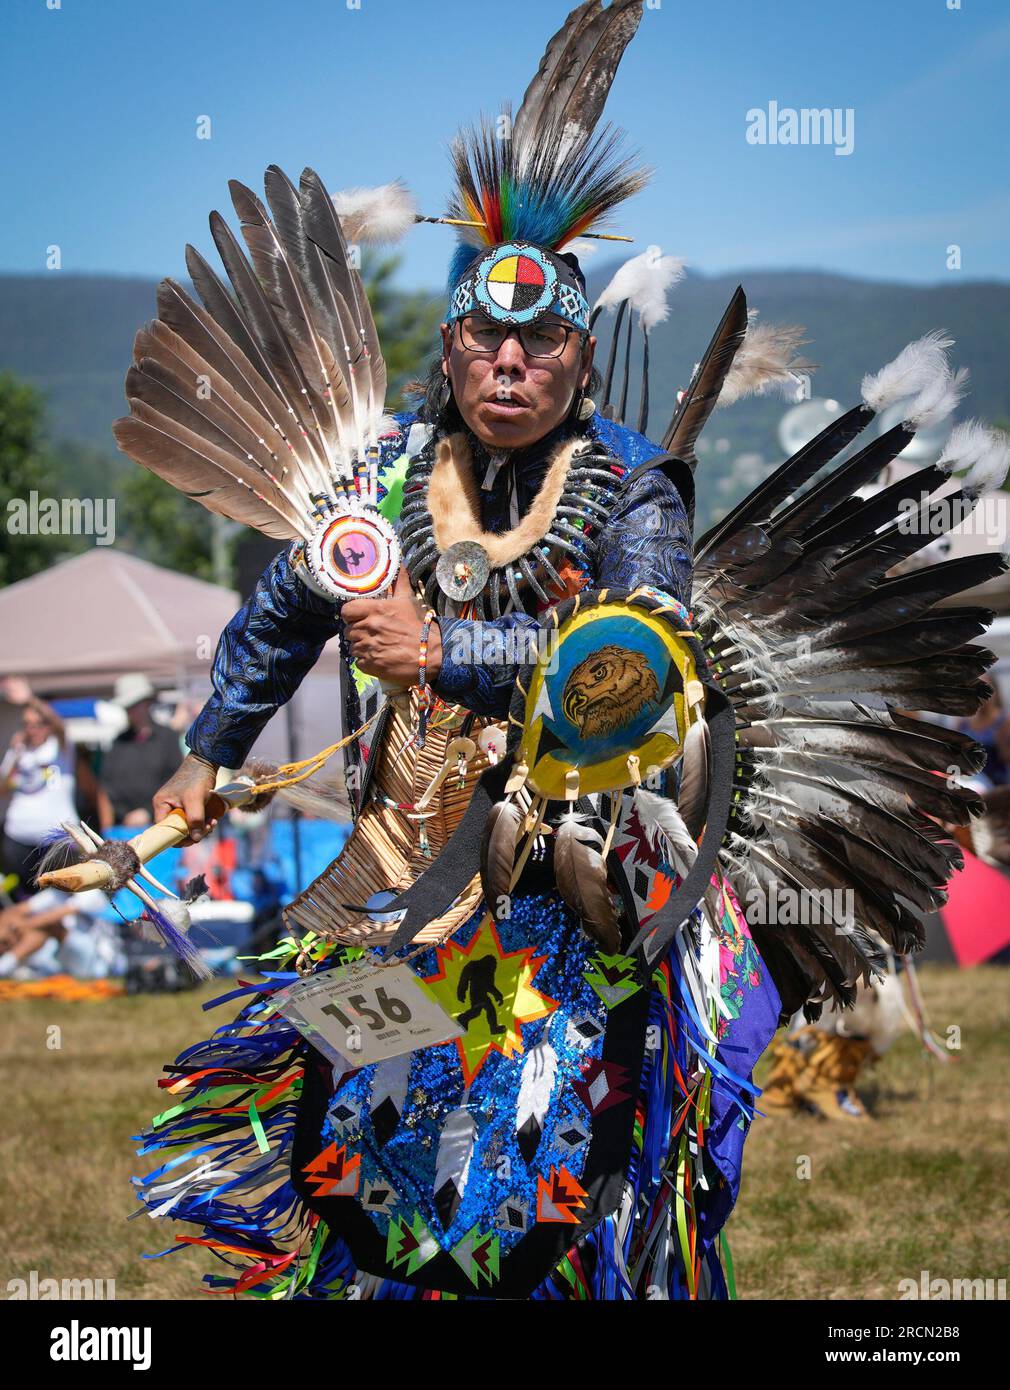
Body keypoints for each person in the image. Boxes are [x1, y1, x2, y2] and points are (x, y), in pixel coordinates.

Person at [108, 1, 998, 1301]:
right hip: (399, 885)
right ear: (454, 346)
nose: (508, 360)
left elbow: (630, 664)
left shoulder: (630, 487)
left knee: (571, 1177)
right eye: (484, 336)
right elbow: (295, 595)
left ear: (577, 357)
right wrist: (205, 747)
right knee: (364, 1174)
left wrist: (440, 647)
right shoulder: (392, 473)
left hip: (581, 895)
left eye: (538, 342)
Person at [0, 676, 78, 895]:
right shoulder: (18, 751)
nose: (32, 729)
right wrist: (15, 755)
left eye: (38, 724)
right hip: (19, 838)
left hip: (56, 841)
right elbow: (3, 789)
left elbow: (58, 725)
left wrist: (30, 700)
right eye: (26, 724)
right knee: (29, 898)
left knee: (62, 895)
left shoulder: (60, 747)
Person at [97, 674, 183, 829]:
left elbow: (175, 778)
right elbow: (108, 785)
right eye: (128, 707)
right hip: (126, 825)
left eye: (136, 704)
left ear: (147, 702)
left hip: (164, 822)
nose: (132, 711)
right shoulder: (118, 743)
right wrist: (125, 814)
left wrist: (148, 811)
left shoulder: (167, 738)